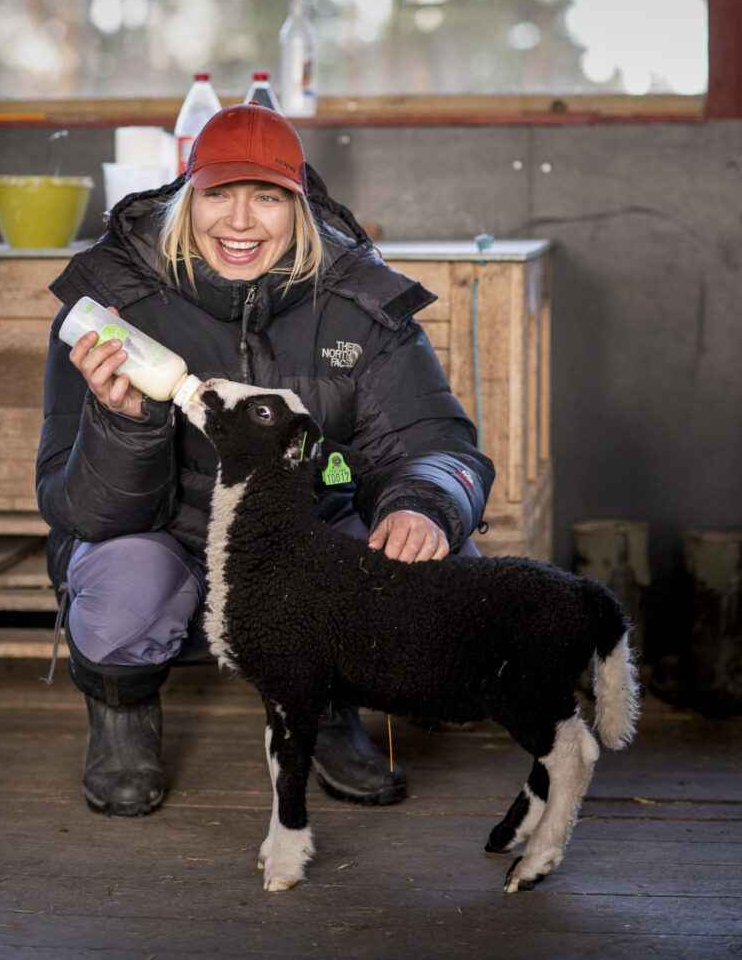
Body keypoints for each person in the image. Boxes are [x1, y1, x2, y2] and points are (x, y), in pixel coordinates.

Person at [36, 103, 495, 818]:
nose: (240, 221)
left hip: (302, 548)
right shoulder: (114, 305)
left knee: (447, 549)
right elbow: (80, 511)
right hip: (173, 548)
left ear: (299, 205)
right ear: (188, 198)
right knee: (124, 574)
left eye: (267, 197)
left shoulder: (358, 307)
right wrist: (123, 421)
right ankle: (122, 716)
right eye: (218, 194)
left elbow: (436, 443)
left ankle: (335, 701)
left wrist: (421, 503)